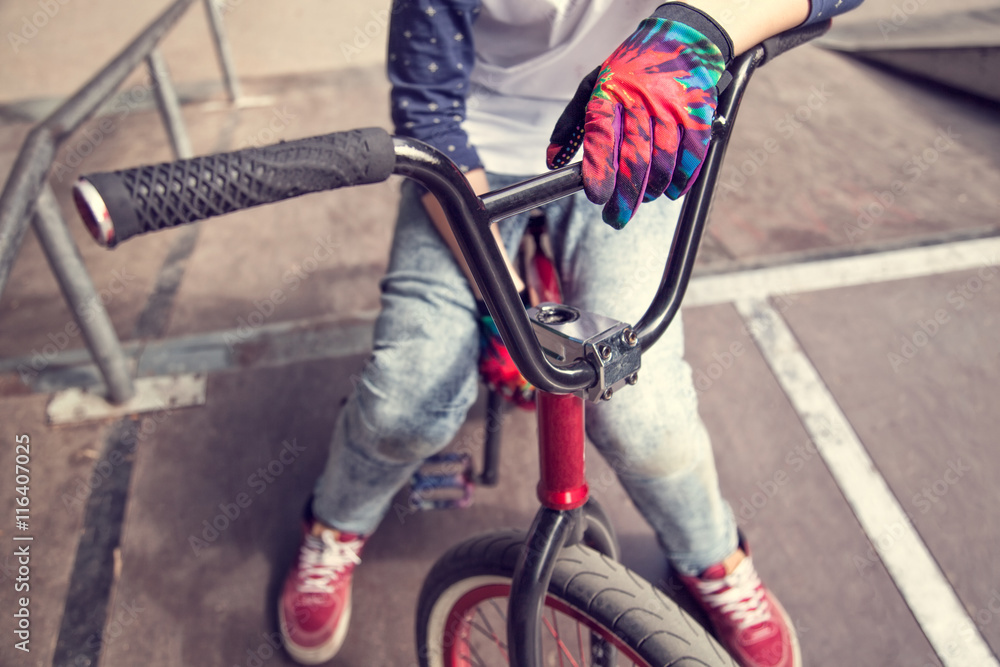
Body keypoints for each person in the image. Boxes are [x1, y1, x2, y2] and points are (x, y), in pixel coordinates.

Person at [277, 1, 863, 666]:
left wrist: (699, 27)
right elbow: (430, 117)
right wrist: (508, 300)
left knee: (648, 418)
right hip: (469, 156)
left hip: (629, 137)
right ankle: (333, 524)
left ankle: (713, 556)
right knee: (406, 402)